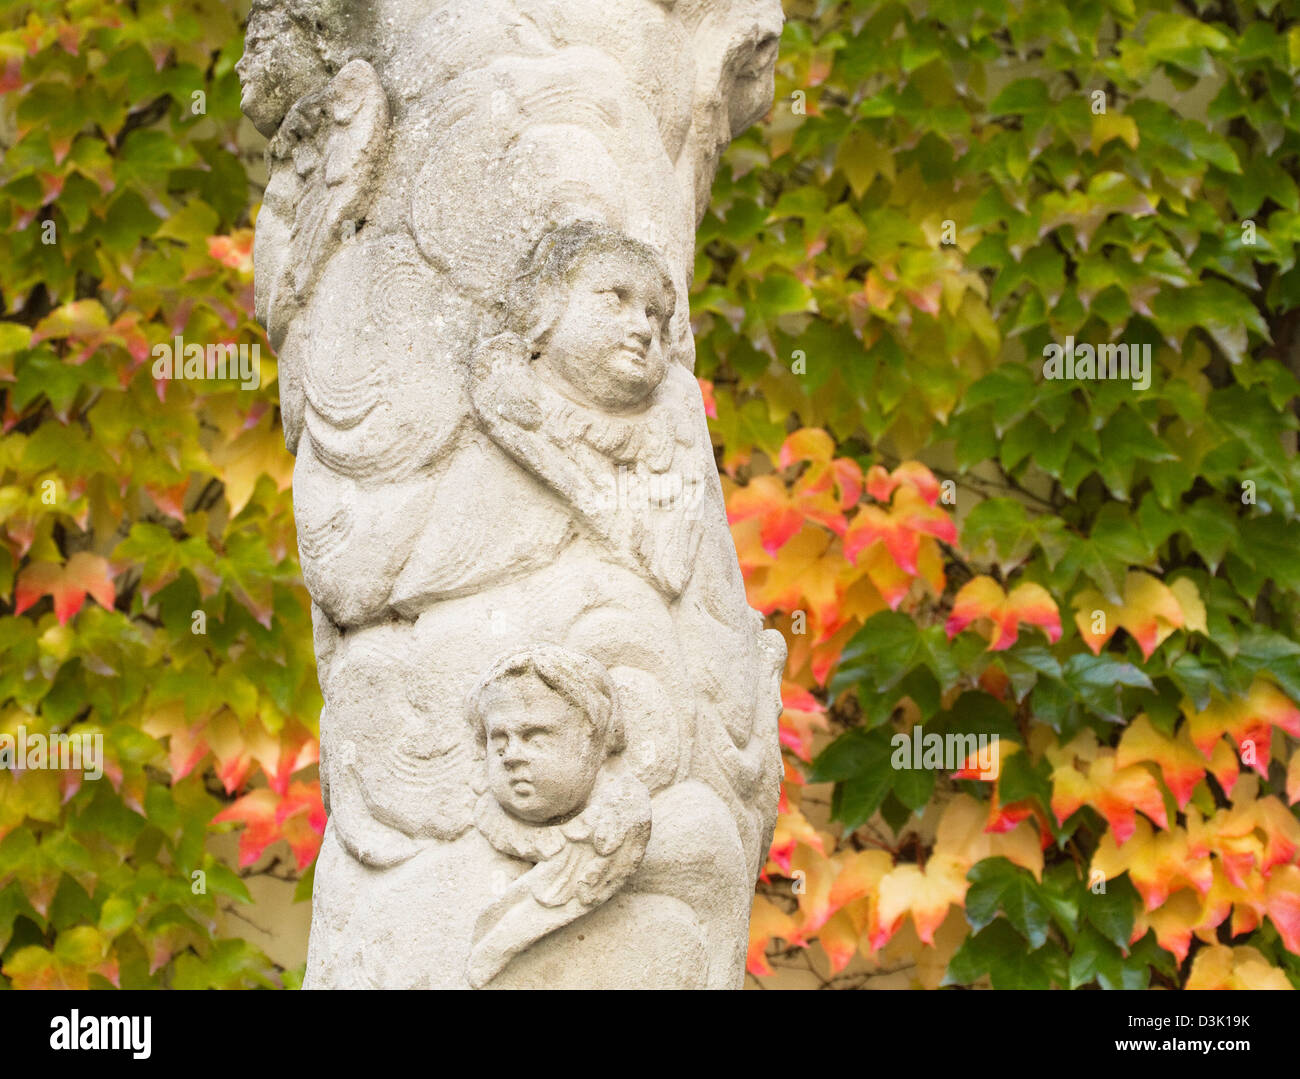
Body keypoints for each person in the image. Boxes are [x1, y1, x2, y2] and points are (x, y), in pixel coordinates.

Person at [464, 643, 652, 988]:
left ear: (592, 739)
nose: (512, 756)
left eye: (535, 737)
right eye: (500, 741)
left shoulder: (622, 826)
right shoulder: (461, 849)